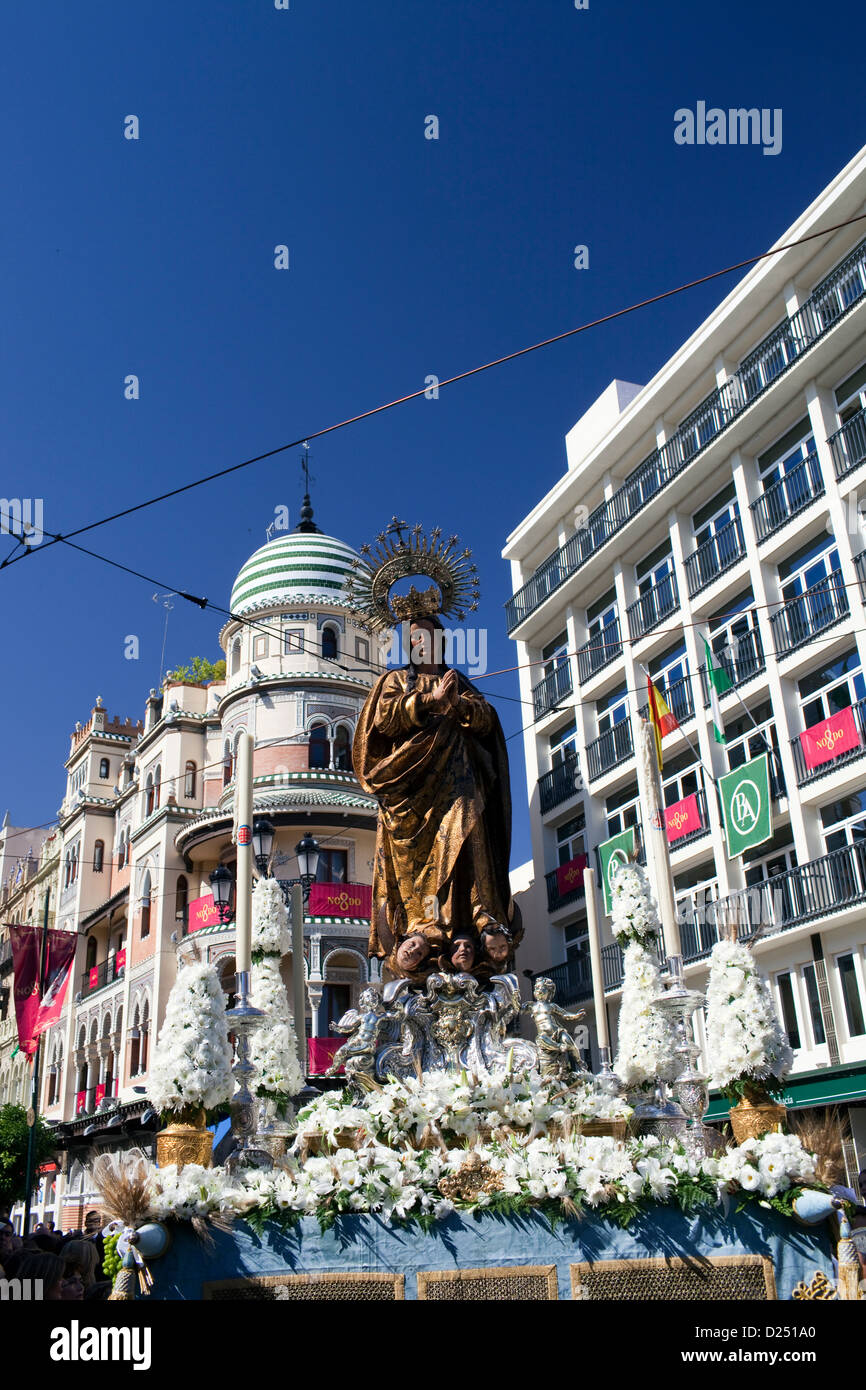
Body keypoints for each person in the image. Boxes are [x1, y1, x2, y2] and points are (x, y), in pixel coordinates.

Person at [354, 615, 519, 963]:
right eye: (414, 637)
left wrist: (456, 703)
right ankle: (427, 923)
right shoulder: (394, 679)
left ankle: (480, 916)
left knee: (468, 831)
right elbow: (384, 719)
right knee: (419, 868)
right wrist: (428, 701)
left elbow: (486, 720)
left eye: (427, 636)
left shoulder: (457, 681)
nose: (420, 643)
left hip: (459, 781)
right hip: (411, 791)